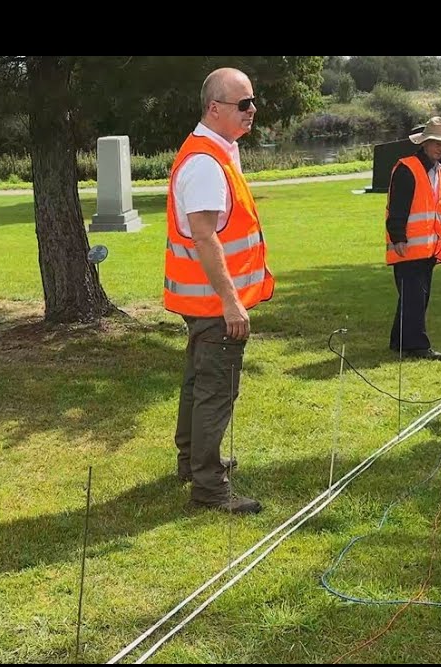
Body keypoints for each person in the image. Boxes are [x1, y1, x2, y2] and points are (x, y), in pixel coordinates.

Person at [164, 67, 275, 515]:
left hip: (201, 301)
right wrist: (232, 303)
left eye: (253, 101)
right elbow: (206, 237)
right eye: (243, 104)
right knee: (215, 389)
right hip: (213, 303)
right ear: (215, 108)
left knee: (198, 383)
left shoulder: (216, 152)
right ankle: (209, 486)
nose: (253, 111)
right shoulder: (207, 163)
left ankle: (192, 463)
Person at [385, 117, 441, 361]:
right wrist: (398, 237)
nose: (440, 147)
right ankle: (418, 346)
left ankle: (399, 342)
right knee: (415, 299)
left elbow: (437, 212)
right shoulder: (408, 168)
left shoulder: (437, 170)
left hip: (429, 247)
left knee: (414, 297)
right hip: (408, 247)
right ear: (425, 142)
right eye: (436, 142)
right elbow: (397, 206)